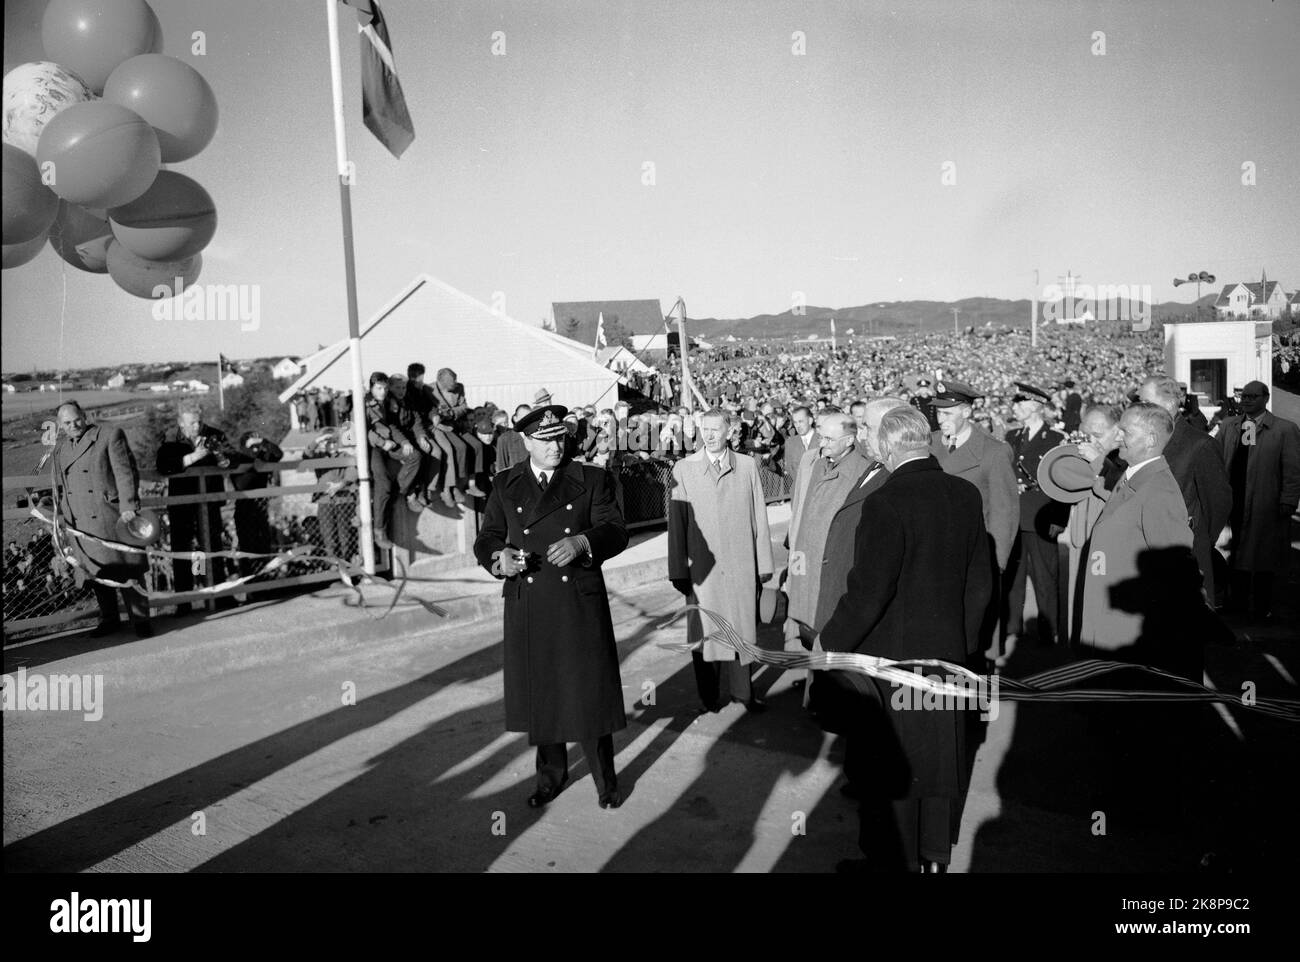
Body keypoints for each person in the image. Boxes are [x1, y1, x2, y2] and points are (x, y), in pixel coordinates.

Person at [815, 406, 992, 873]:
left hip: (893, 662)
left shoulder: (885, 502)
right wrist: (963, 647)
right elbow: (980, 584)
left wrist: (830, 644)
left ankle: (891, 861)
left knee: (894, 767)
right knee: (938, 762)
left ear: (890, 449)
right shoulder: (965, 495)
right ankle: (933, 854)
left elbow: (867, 594)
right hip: (948, 658)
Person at [472, 404, 629, 810]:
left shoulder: (592, 478)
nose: (556, 447)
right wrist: (498, 559)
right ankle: (550, 778)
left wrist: (583, 542)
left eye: (560, 438)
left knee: (588, 694)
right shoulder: (506, 484)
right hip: (530, 601)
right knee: (543, 695)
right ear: (527, 442)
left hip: (577, 599)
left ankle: (605, 783)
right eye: (546, 441)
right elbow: (487, 536)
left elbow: (615, 530)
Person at [1077, 403, 1198, 677]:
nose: (1118, 437)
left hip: (1131, 636)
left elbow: (1177, 573)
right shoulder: (1133, 476)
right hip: (1114, 625)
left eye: (1126, 432)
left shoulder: (1158, 490)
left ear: (1151, 440)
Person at [668, 408, 775, 713]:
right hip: (702, 570)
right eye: (705, 429)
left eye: (717, 429)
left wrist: (764, 563)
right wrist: (678, 569)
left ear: (730, 432)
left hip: (742, 566)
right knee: (705, 636)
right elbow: (677, 525)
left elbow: (759, 517)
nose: (710, 435)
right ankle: (709, 698)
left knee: (743, 633)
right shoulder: (684, 468)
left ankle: (744, 693)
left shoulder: (747, 466)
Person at [929, 380, 1018, 663]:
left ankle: (980, 702)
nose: (941, 419)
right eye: (938, 413)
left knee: (976, 642)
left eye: (948, 413)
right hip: (934, 556)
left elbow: (1004, 512)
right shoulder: (929, 445)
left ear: (967, 412)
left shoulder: (993, 451)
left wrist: (997, 563)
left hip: (974, 559)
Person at [49, 402, 153, 638]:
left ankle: (141, 621)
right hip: (81, 522)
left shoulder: (108, 435)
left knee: (129, 569)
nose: (73, 425)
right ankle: (110, 619)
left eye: (77, 419)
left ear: (84, 416)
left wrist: (129, 507)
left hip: (110, 516)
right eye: (67, 423)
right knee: (97, 572)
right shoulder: (61, 449)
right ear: (60, 426)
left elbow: (126, 472)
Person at [1138, 375, 1231, 606]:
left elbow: (1218, 502)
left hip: (1186, 554)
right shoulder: (1142, 442)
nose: (1140, 410)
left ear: (1169, 404)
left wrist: (1199, 541)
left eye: (1146, 402)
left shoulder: (1199, 444)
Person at [783, 410, 873, 647]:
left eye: (829, 440)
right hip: (806, 565)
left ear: (849, 440)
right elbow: (801, 517)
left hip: (835, 572)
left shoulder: (862, 472)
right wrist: (795, 567)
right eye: (821, 437)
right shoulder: (816, 464)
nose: (822, 444)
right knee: (804, 634)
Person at [1216, 380, 1300, 621]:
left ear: (1266, 398)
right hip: (1235, 498)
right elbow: (1220, 460)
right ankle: (1237, 603)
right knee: (1235, 552)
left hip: (1266, 501)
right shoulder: (1230, 427)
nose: (1247, 400)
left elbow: (1293, 470)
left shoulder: (1285, 430)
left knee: (1263, 557)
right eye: (1245, 396)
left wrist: (1289, 499)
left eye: (1253, 396)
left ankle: (1262, 607)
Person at [1003, 382, 1067, 652]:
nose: (1013, 407)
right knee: (1013, 578)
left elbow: (1064, 484)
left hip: (1042, 516)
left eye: (1018, 403)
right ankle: (1012, 627)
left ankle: (1048, 629)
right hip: (1015, 517)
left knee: (1044, 577)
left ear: (1034, 405)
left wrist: (1058, 520)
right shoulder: (1011, 437)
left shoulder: (1054, 440)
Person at [156, 402, 231, 612]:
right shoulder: (170, 438)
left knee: (213, 547)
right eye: (191, 423)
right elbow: (163, 466)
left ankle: (218, 597)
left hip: (208, 502)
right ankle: (185, 602)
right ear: (181, 423)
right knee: (183, 551)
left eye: (199, 422)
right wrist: (192, 458)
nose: (197, 427)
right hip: (182, 503)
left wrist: (225, 460)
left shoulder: (214, 434)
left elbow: (232, 455)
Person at [363, 372, 420, 549]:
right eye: (379, 388)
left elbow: (391, 426)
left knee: (414, 456)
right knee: (384, 486)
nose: (382, 392)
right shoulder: (363, 404)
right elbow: (362, 430)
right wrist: (381, 442)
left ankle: (400, 492)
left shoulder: (386, 402)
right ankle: (379, 530)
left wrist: (404, 442)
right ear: (371, 388)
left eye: (385, 388)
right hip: (373, 448)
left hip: (388, 443)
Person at [228, 430, 284, 579]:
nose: (255, 445)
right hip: (245, 507)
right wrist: (251, 450)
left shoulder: (261, 457)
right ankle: (250, 583)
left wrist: (263, 442)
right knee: (247, 547)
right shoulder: (239, 458)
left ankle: (264, 580)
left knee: (263, 545)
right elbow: (241, 483)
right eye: (252, 441)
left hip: (260, 507)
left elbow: (278, 454)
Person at [303, 428, 358, 565]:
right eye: (328, 442)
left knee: (344, 534)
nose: (332, 446)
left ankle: (346, 562)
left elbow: (353, 471)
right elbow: (305, 455)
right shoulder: (319, 456)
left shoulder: (344, 456)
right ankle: (333, 563)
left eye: (334, 442)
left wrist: (341, 484)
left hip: (343, 499)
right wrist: (318, 440)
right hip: (325, 500)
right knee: (328, 534)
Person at [783, 405, 819, 493]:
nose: (798, 426)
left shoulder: (822, 438)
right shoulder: (790, 442)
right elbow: (789, 467)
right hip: (799, 492)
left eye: (801, 421)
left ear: (810, 420)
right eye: (795, 422)